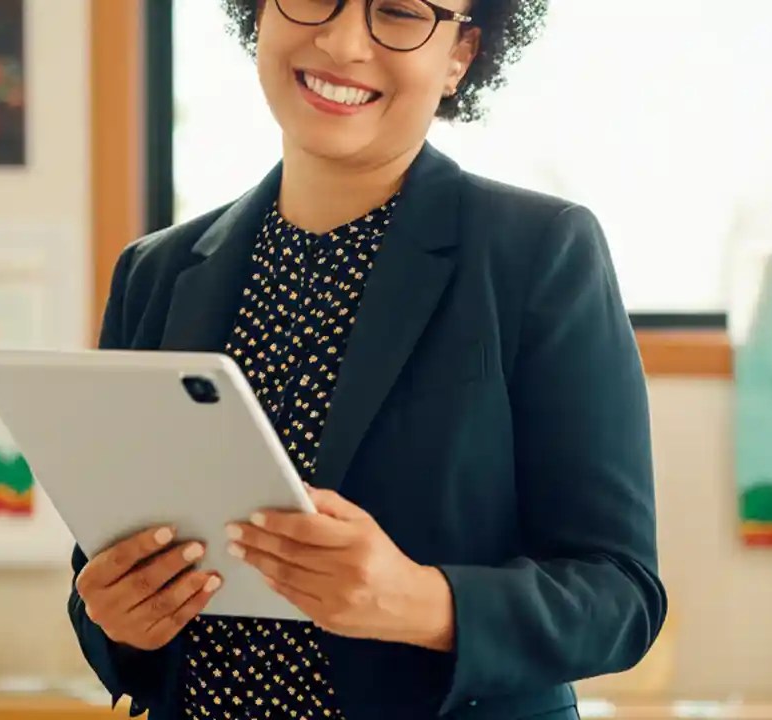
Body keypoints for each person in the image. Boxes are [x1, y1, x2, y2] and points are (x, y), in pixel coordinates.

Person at [67, 0, 667, 718]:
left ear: (460, 54)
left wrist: (420, 601)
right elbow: (106, 572)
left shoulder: (539, 253)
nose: (344, 42)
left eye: (399, 11)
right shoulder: (154, 273)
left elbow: (620, 595)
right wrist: (113, 615)